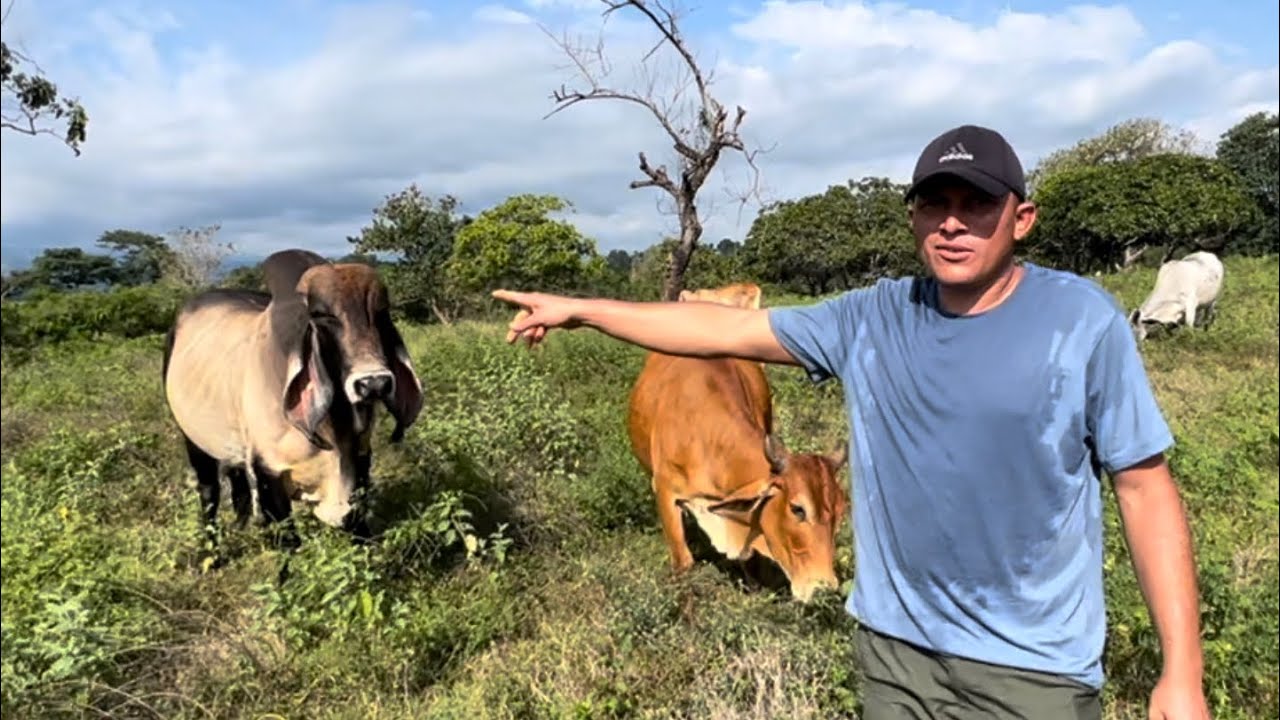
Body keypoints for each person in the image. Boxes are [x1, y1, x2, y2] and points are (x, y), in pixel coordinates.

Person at [492, 124, 1210, 720]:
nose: (953, 222)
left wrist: (1182, 673)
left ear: (1022, 218)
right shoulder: (872, 317)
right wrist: (583, 309)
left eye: (978, 204)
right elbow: (721, 330)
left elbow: (1145, 489)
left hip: (1032, 669)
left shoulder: (1081, 321)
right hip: (894, 656)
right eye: (935, 204)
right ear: (914, 217)